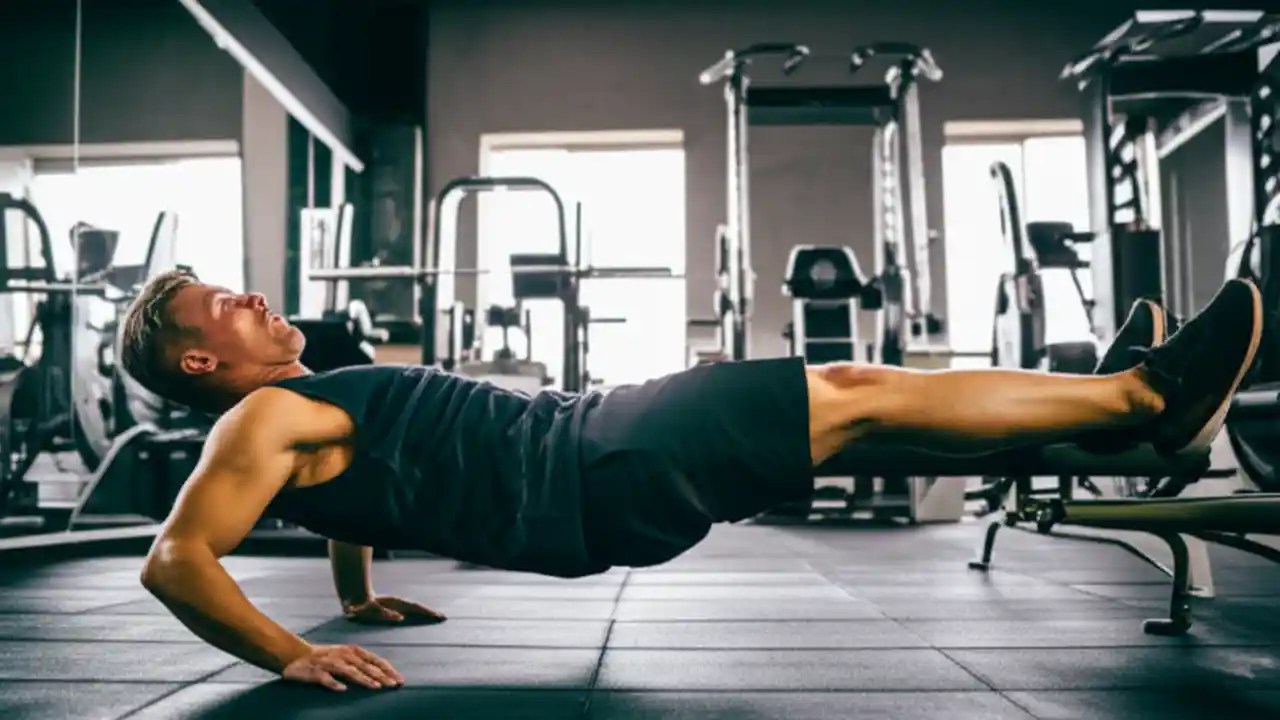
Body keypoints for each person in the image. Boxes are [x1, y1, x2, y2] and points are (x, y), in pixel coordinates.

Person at [121, 269, 1262, 693]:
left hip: (595, 471)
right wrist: (296, 650)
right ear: (199, 362)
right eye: (221, 307)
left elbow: (339, 487)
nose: (250, 298)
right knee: (856, 389)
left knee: (857, 436)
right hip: (596, 458)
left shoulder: (288, 421)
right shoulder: (261, 417)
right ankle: (1145, 400)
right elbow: (175, 558)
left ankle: (1089, 434)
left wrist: (354, 590)